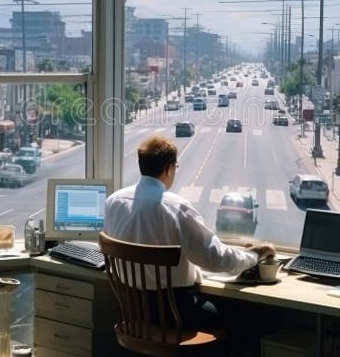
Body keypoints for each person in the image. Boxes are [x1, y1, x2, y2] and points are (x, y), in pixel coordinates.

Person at [104, 135, 274, 329]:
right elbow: (215, 258)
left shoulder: (113, 202)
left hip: (134, 312)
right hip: (175, 313)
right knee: (251, 316)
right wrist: (254, 255)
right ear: (169, 168)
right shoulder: (177, 208)